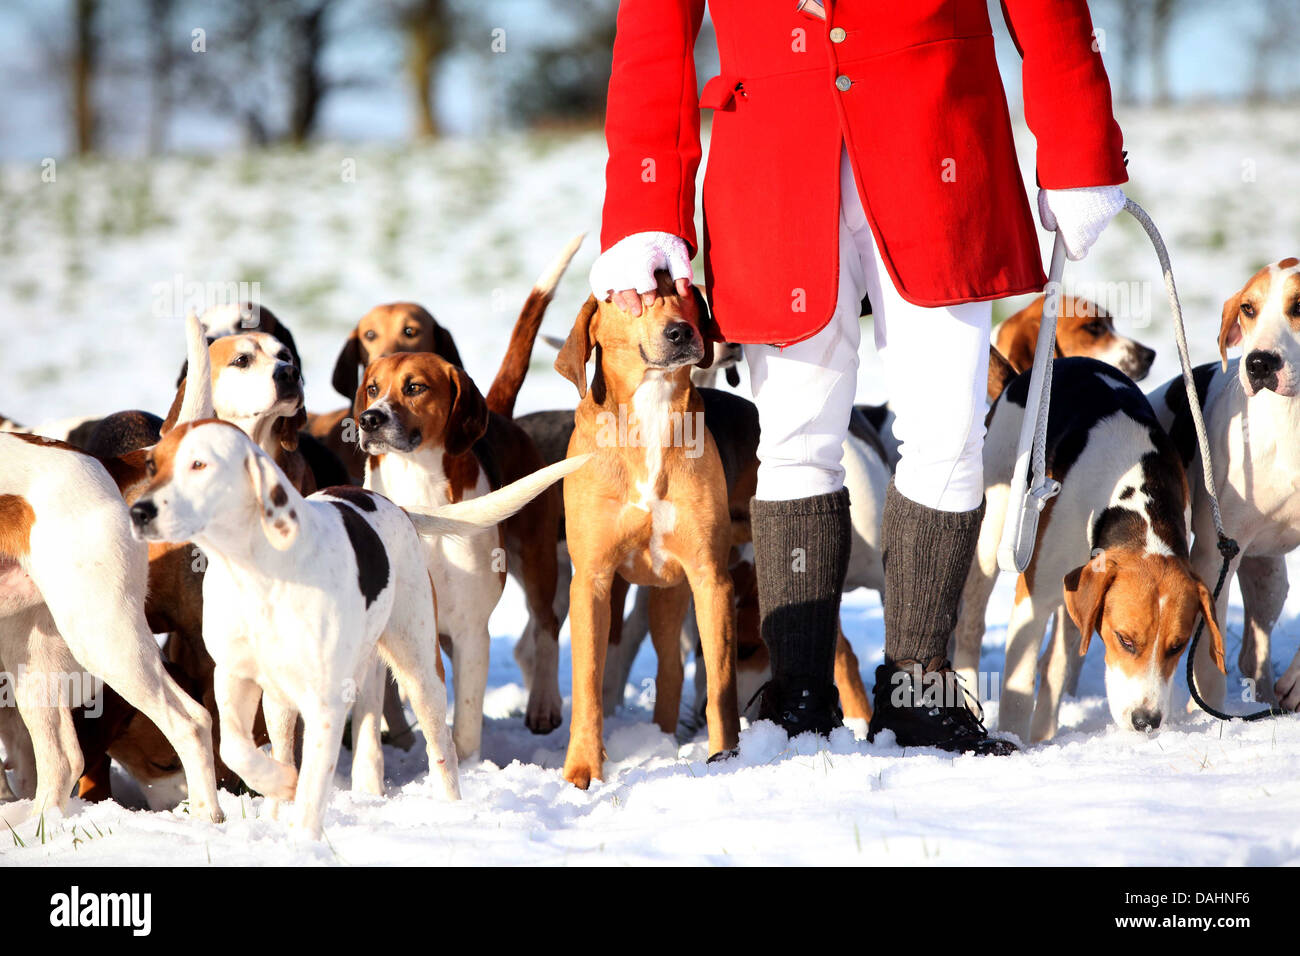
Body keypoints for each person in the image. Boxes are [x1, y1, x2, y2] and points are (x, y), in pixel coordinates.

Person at [588, 0, 1127, 754]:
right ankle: (798, 700)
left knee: (947, 432)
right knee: (795, 440)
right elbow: (653, 25)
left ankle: (918, 692)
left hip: (937, 131)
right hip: (772, 158)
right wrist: (646, 209)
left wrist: (1079, 145)